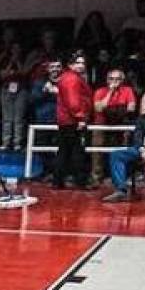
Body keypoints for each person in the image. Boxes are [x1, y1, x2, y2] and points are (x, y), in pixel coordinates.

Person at [52, 53, 94, 188]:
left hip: (67, 119)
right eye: (78, 63)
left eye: (83, 63)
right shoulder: (72, 79)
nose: (81, 65)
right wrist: (81, 118)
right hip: (72, 120)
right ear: (70, 65)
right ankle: (81, 181)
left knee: (64, 151)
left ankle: (58, 181)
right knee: (76, 151)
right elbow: (73, 101)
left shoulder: (69, 77)